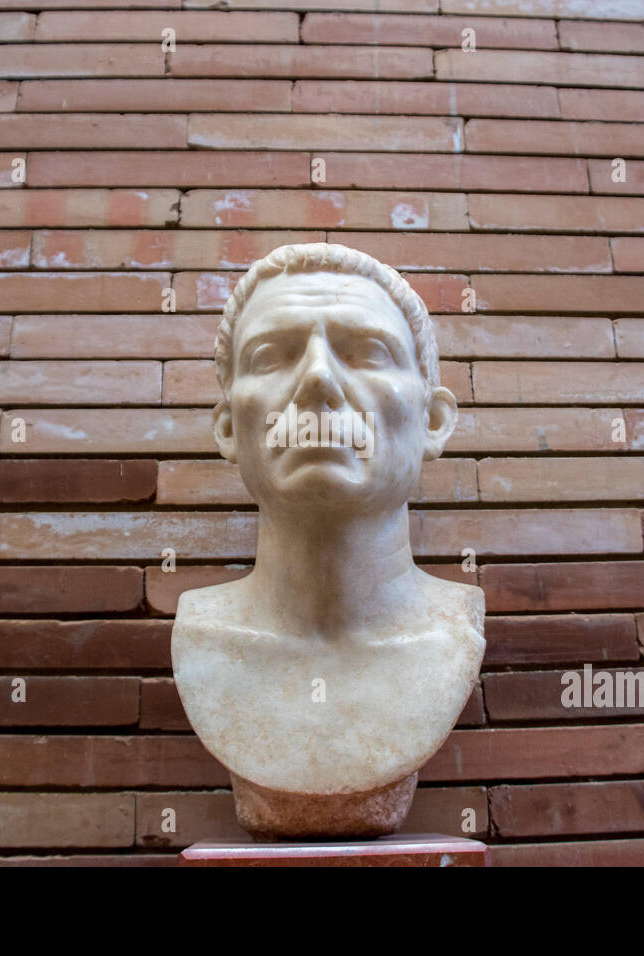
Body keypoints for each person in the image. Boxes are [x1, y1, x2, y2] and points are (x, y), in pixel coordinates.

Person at [172, 242, 485, 840]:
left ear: (433, 422)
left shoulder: (455, 632)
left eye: (367, 351)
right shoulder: (203, 636)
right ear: (228, 428)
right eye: (270, 356)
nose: (317, 379)